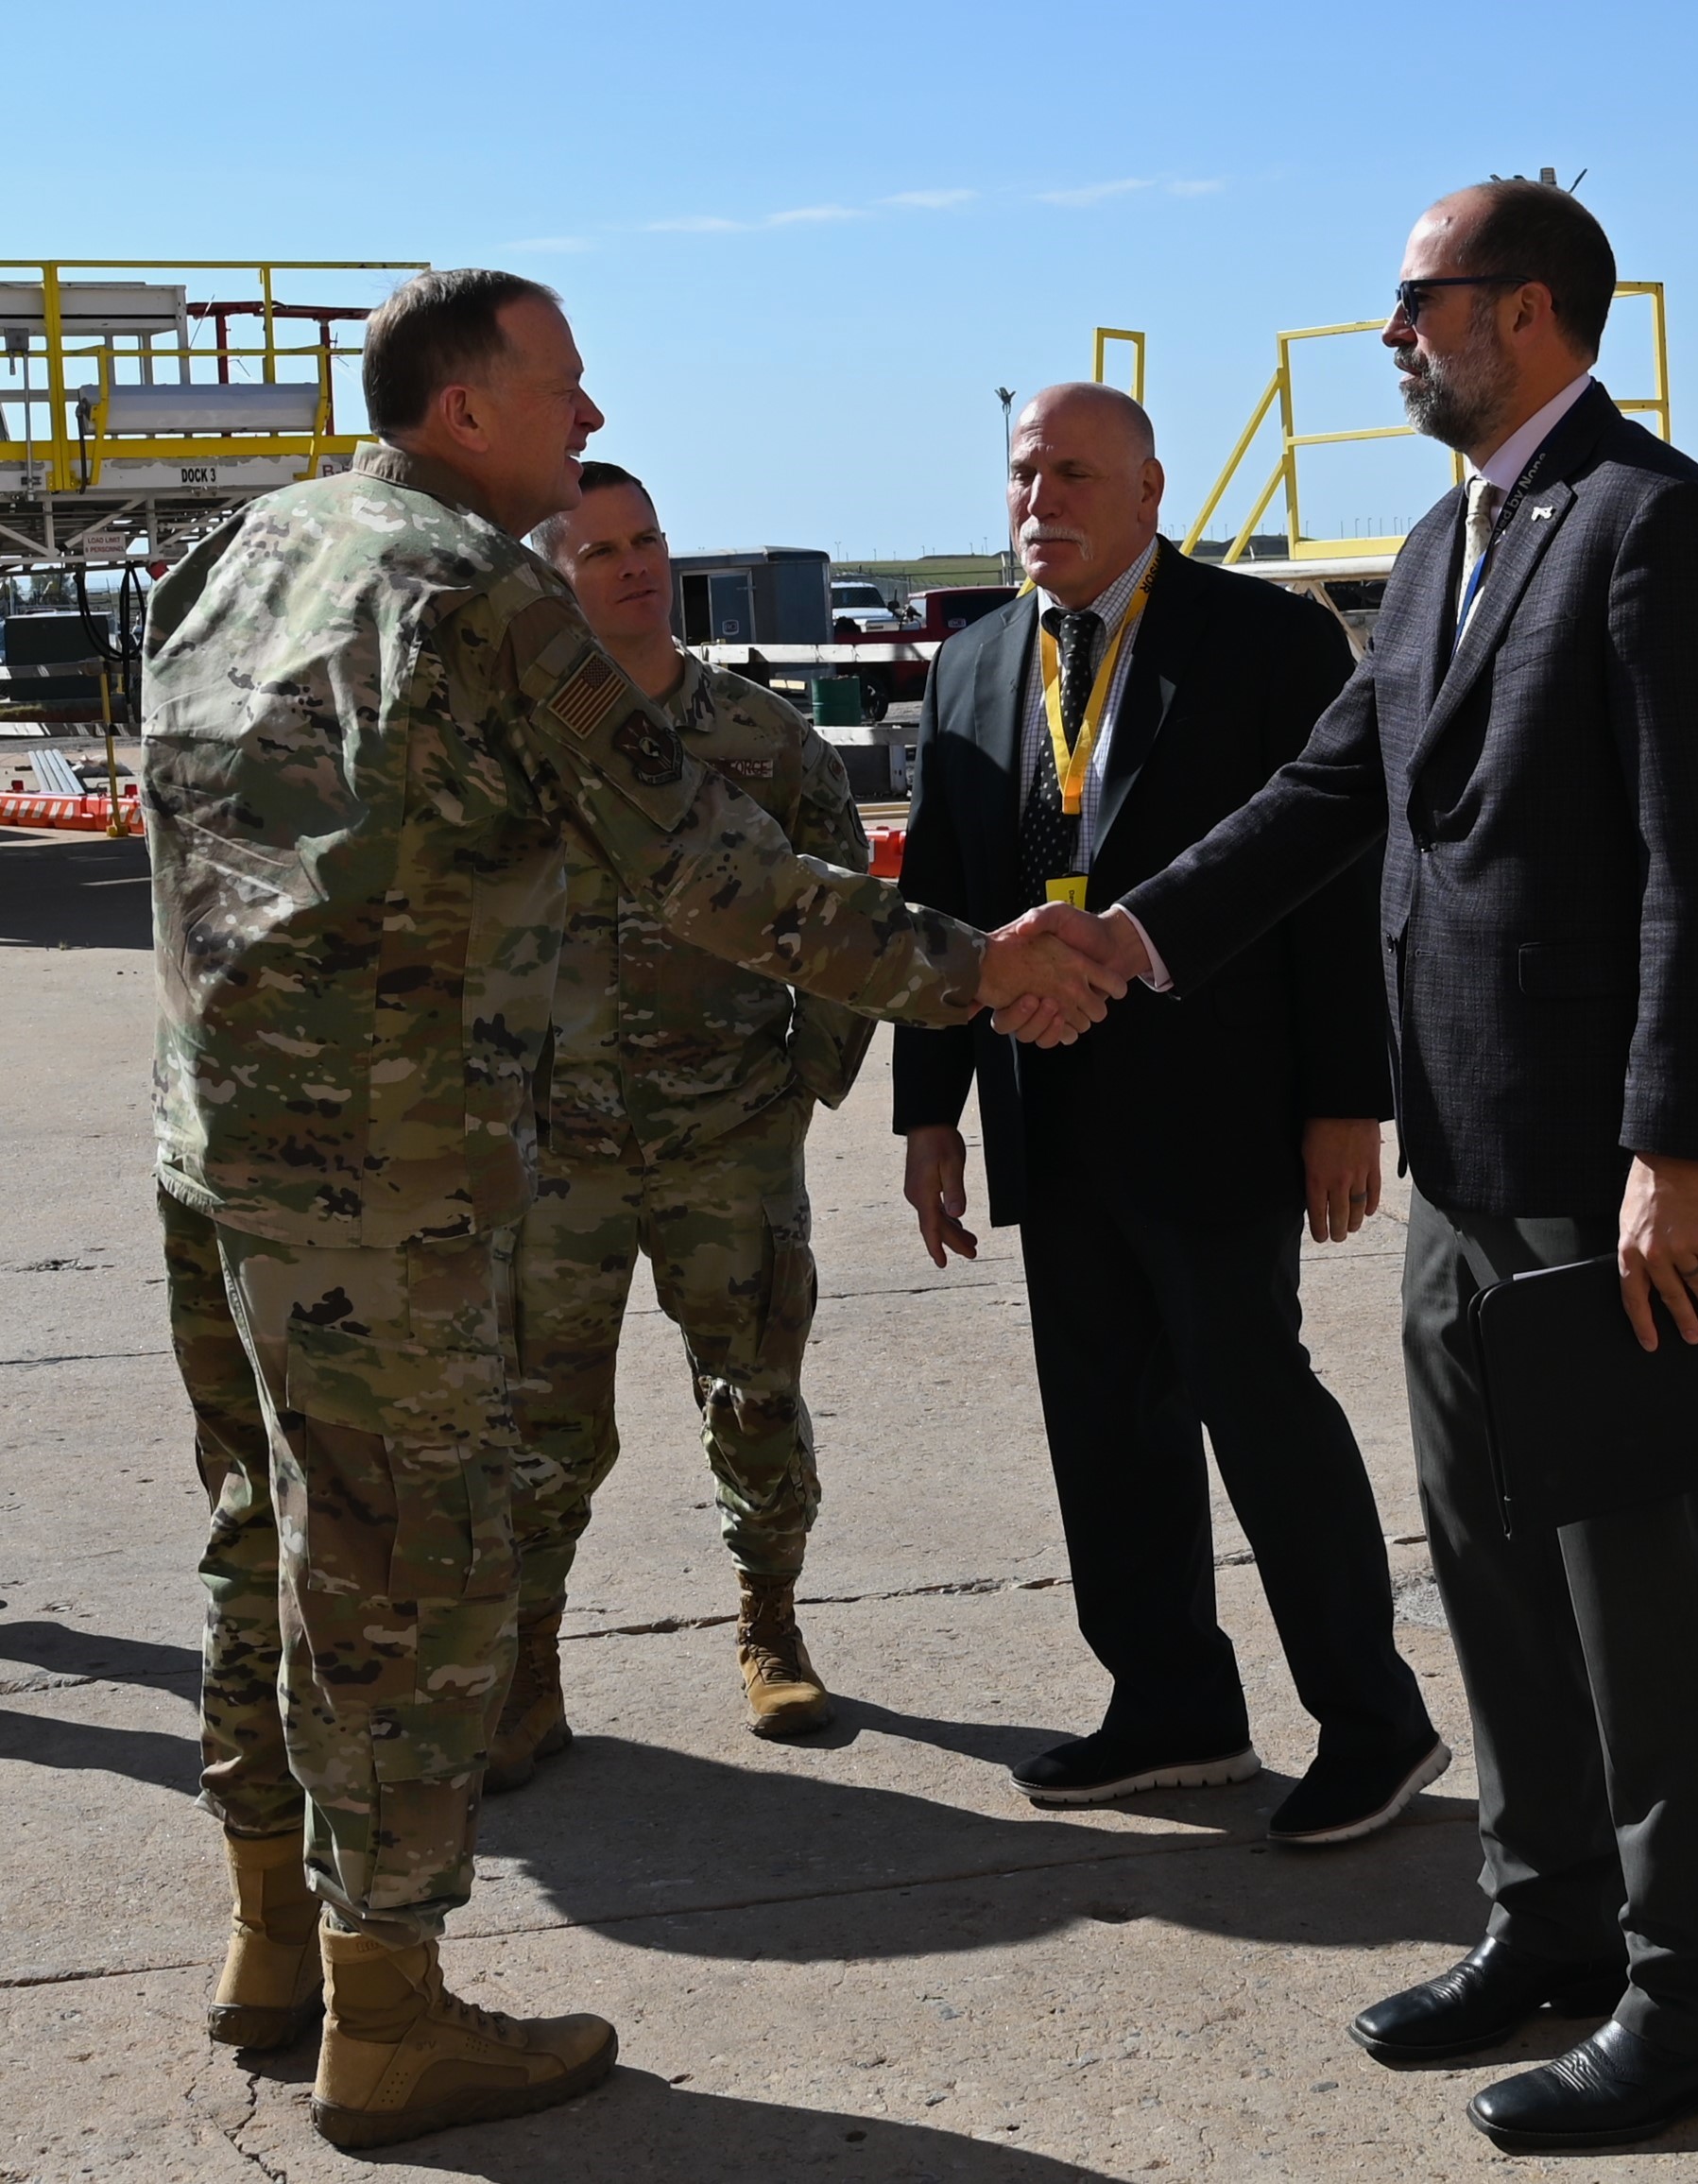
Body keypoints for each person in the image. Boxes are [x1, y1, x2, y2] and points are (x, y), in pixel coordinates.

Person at [146, 268, 1118, 2152]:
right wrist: (975, 971)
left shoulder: (242, 551)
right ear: (464, 406)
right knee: (407, 1575)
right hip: (388, 1184)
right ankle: (392, 2009)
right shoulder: (473, 589)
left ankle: (271, 1944)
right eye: (564, 388)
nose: (587, 419)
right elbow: (698, 864)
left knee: (259, 1537)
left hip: (216, 1149)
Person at [1063, 179, 1698, 2152]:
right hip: (1466, 1159)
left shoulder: (1654, 528)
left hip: (1610, 1175)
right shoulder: (1440, 542)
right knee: (1492, 1566)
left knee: (1649, 1596)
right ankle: (1548, 1925)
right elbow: (1333, 793)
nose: (1391, 334)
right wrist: (1127, 939)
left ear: (1534, 310)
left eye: (1418, 301)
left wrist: (1681, 1148)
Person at [891, 381, 1441, 1839]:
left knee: (1257, 1410)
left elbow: (1329, 884)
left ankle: (1372, 1723)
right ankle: (1171, 1706)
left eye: (1074, 473)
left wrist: (1346, 1101)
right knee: (1103, 1423)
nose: (1039, 501)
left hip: (1220, 1102)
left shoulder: (1265, 641)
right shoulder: (976, 662)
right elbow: (938, 895)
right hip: (1045, 1099)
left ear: (1150, 493)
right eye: (1021, 473)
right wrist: (929, 1112)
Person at [492, 460, 876, 1777]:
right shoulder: (510, 750)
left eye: (646, 539)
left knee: (757, 1396)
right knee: (543, 1428)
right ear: (552, 580)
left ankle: (772, 1631)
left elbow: (846, 908)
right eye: (597, 551)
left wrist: (803, 1081)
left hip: (730, 1140)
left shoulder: (765, 742)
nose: (634, 565)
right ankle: (527, 1671)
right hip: (559, 1160)